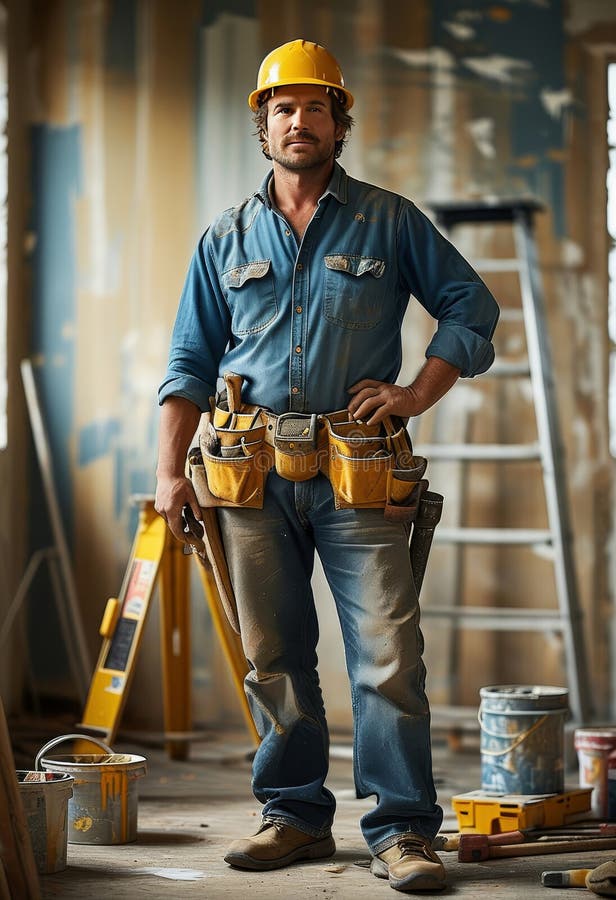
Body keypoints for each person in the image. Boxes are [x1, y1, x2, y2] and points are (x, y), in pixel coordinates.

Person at [155, 38, 499, 894]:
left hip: (361, 473)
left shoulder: (388, 220)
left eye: (315, 107)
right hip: (248, 476)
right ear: (262, 128)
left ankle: (402, 831)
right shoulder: (225, 238)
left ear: (339, 123)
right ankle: (295, 816)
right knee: (273, 655)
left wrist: (417, 392)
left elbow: (470, 304)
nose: (297, 120)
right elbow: (188, 364)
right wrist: (168, 474)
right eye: (282, 108)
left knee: (387, 655)